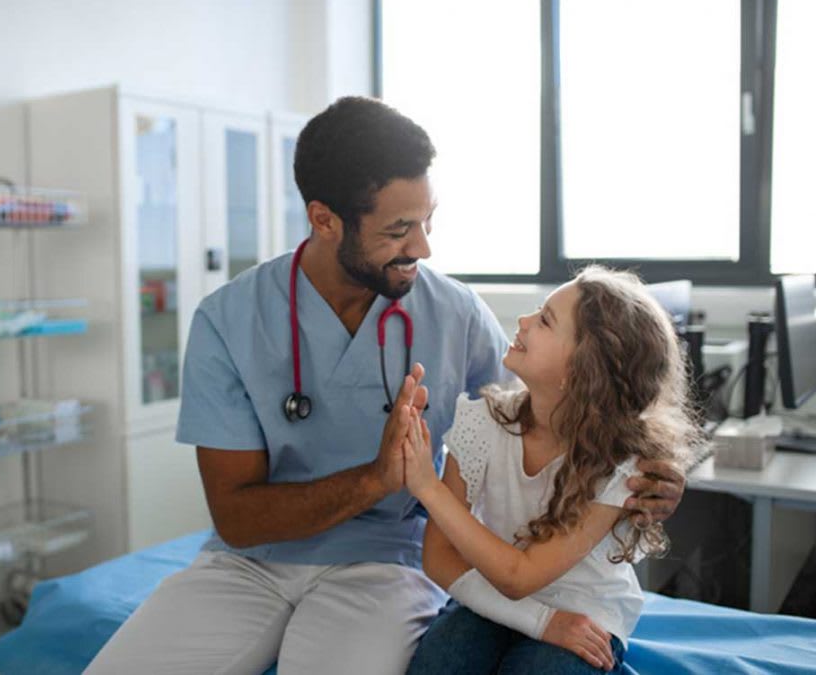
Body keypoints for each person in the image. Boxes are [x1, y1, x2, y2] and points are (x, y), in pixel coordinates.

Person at [84, 97, 686, 675]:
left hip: (387, 562)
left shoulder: (457, 315)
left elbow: (554, 428)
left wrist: (644, 479)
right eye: (400, 229)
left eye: (427, 221)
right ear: (324, 220)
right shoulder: (228, 321)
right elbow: (238, 518)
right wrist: (382, 476)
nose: (422, 248)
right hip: (249, 562)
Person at [402, 266, 705, 674]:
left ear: (582, 370)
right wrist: (539, 622)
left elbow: (520, 577)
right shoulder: (480, 423)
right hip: (489, 595)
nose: (524, 322)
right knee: (441, 664)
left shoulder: (620, 465)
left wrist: (427, 486)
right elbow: (438, 558)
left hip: (582, 614)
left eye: (545, 320)